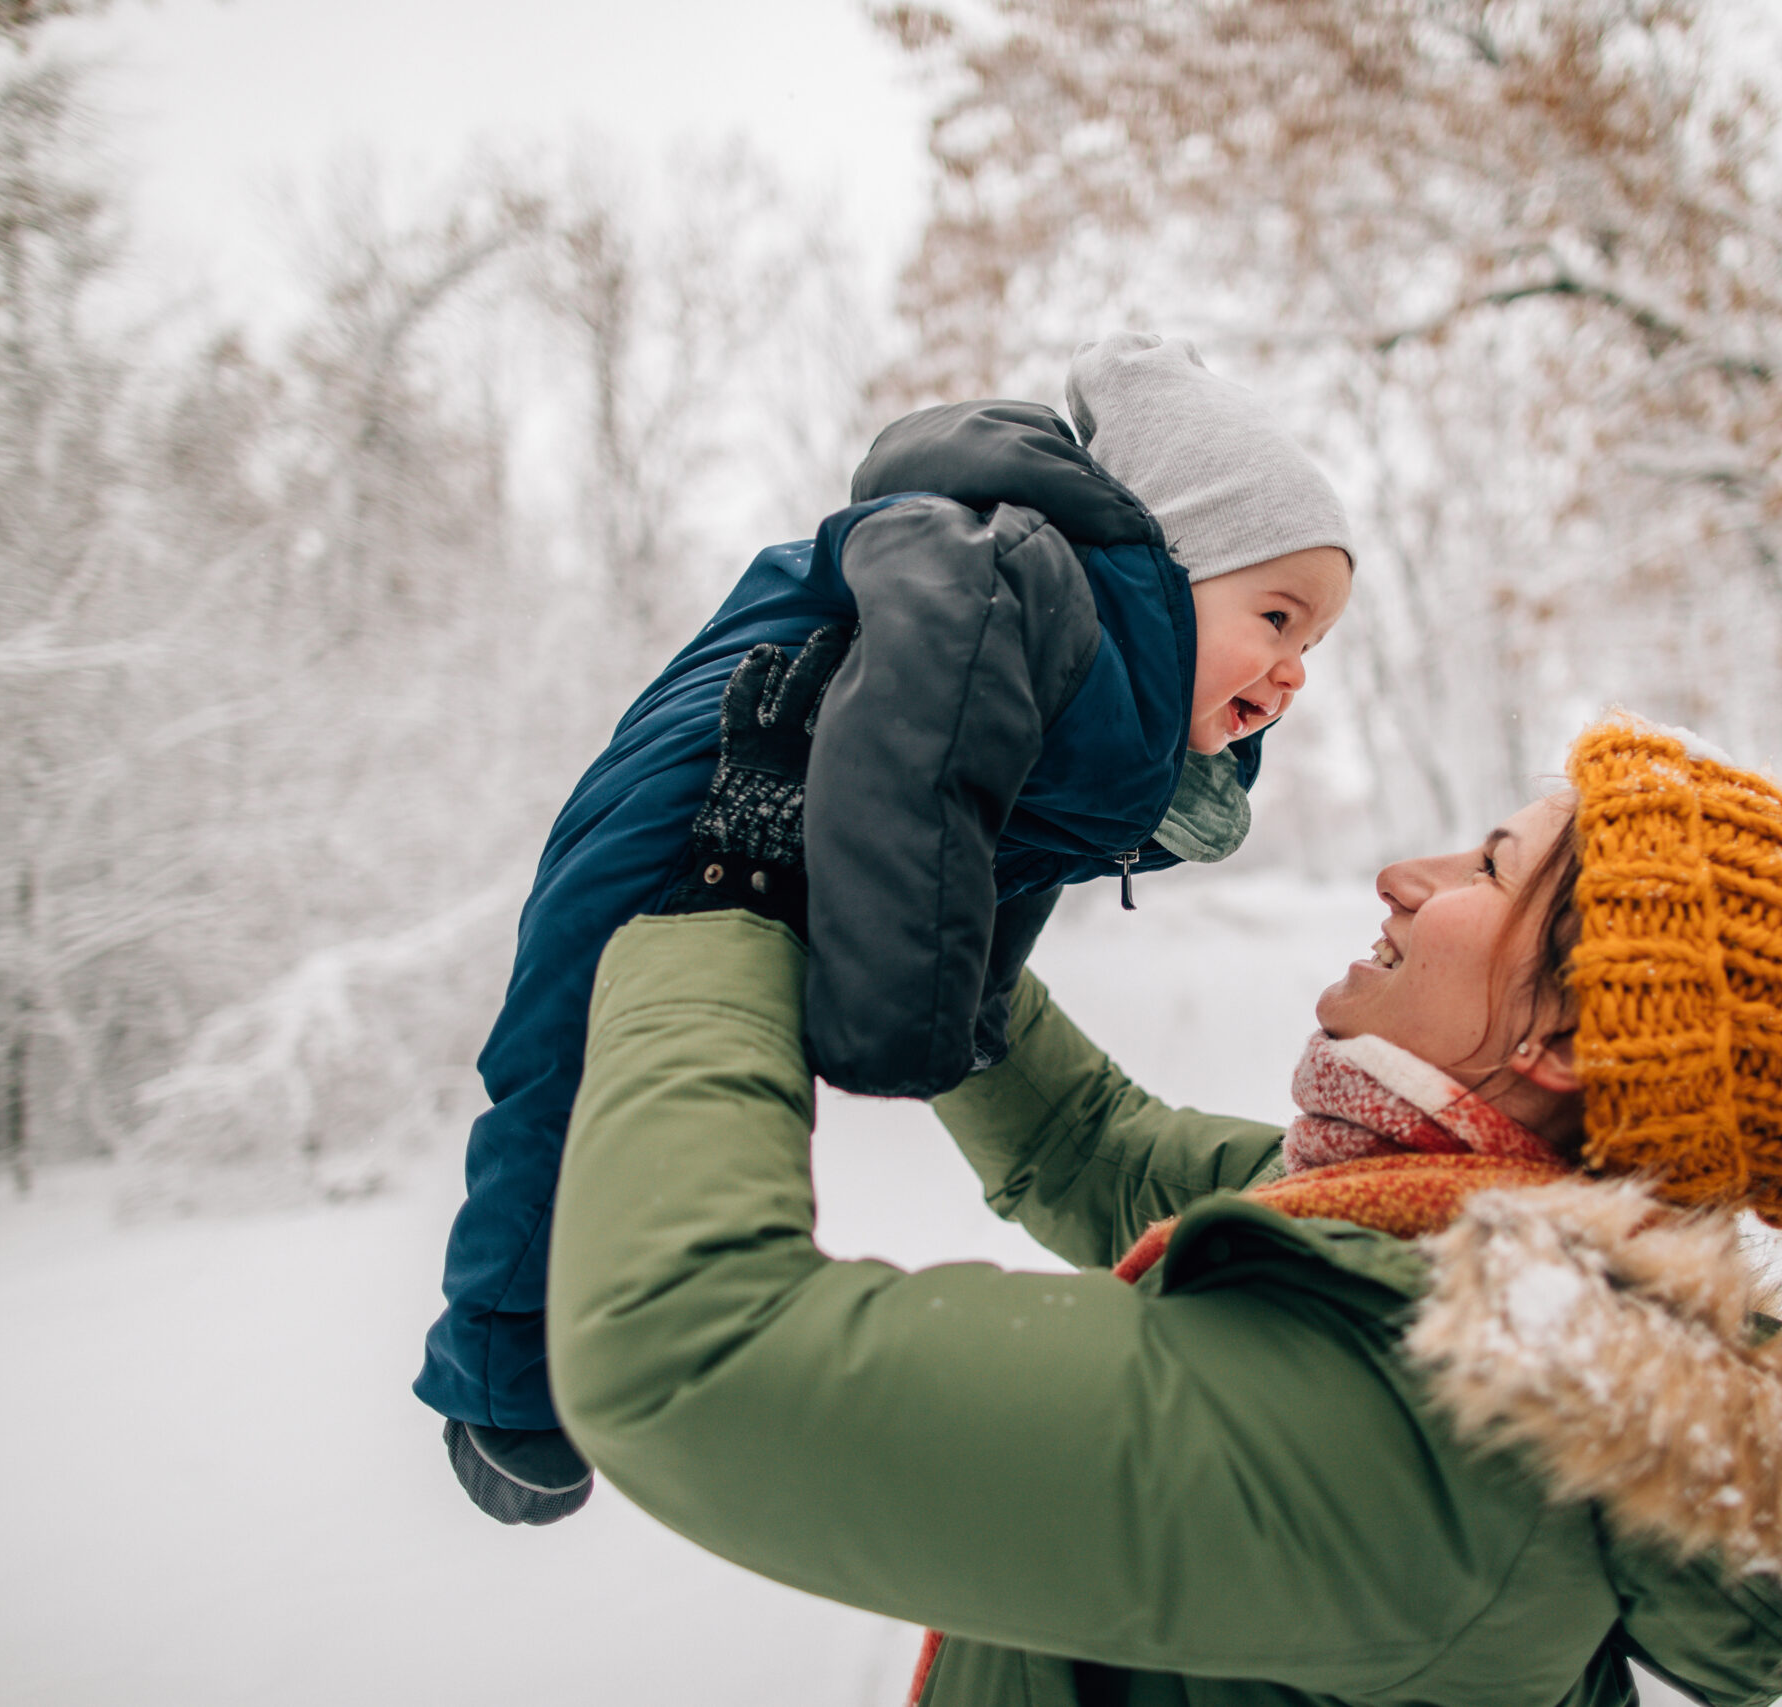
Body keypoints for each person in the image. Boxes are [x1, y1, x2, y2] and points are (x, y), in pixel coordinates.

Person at [545, 713, 1782, 1707]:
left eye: (1488, 860)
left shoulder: (1436, 1430)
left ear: (1571, 1040)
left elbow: (699, 1354)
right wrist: (910, 913)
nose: (1401, 868)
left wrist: (722, 909)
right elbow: (1108, 1146)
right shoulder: (1436, 1233)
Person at [420, 332, 1358, 1524]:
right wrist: (902, 1018)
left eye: (1311, 645)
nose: (1293, 670)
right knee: (565, 1065)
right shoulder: (1001, 568)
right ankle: (497, 1376)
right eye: (1276, 617)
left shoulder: (1113, 674)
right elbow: (914, 767)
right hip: (691, 789)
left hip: (812, 808)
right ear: (1169, 563)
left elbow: (1000, 845)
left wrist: (966, 996)